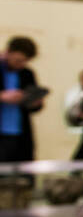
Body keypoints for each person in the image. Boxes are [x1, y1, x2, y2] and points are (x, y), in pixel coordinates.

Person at [0, 36, 46, 164]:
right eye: (18, 60)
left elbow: (34, 105)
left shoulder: (27, 73)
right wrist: (3, 96)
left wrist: (34, 103)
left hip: (20, 134)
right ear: (8, 52)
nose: (21, 64)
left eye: (25, 61)